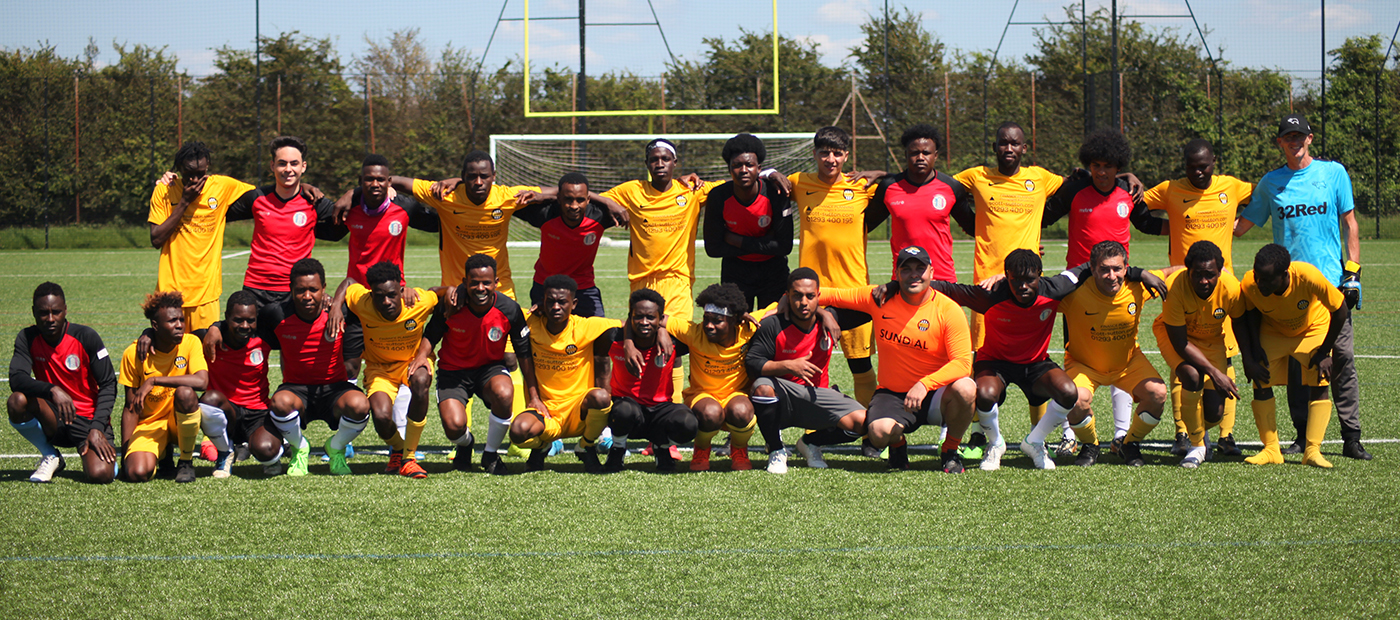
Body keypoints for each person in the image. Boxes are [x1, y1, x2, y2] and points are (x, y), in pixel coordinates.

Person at [1235, 114, 1370, 461]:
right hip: (1288, 287)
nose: (1294, 142)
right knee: (1298, 365)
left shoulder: (1333, 173)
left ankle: (1351, 436)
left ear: (1310, 138)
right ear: (1280, 142)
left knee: (1341, 359)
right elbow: (1241, 226)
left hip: (1328, 284)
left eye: (1300, 136)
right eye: (1288, 137)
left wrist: (1352, 271)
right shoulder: (1271, 182)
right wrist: (1205, 212)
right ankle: (1301, 435)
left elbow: (1350, 223)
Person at [1041, 129, 1166, 454]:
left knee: (1119, 353)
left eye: (1108, 166)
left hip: (1117, 284)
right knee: (1078, 357)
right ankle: (1072, 435)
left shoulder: (1128, 191)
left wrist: (1187, 225)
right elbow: (1044, 217)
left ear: (1118, 167)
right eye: (1096, 165)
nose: (1101, 172)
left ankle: (1122, 434)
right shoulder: (1075, 189)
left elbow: (1147, 224)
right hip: (1078, 290)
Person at [920, 250, 1100, 470]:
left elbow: (1087, 268)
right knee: (984, 394)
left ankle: (1034, 442)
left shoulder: (1054, 289)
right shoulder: (992, 295)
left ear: (1040, 274)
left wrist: (1133, 273)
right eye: (1016, 280)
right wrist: (896, 286)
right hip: (994, 362)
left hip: (1035, 363)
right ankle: (996, 444)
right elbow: (949, 289)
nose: (1023, 286)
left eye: (1029, 279)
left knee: (1069, 392)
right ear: (1006, 276)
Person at [208, 258, 372, 476]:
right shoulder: (276, 314)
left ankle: (336, 447)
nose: (307, 296)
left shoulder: (340, 312)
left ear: (324, 288)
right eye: (300, 290)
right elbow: (244, 321)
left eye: (313, 290)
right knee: (280, 402)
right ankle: (299, 448)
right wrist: (216, 326)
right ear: (291, 290)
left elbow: (353, 283)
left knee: (360, 405)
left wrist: (336, 305)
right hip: (296, 388)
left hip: (334, 388)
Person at [820, 245, 975, 473]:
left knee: (967, 388)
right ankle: (898, 445)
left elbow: (963, 363)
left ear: (931, 272)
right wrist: (810, 308)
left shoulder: (948, 310)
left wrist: (924, 384)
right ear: (897, 274)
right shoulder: (880, 299)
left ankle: (950, 450)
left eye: (920, 269)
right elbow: (828, 294)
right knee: (878, 434)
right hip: (893, 394)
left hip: (936, 395)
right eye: (906, 269)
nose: (914, 274)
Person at [1142, 139, 1252, 457]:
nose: (1198, 172)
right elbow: (1135, 206)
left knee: (1226, 359)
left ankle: (1226, 436)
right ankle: (1182, 432)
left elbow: (1266, 194)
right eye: (1192, 167)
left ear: (1214, 162)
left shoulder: (1231, 187)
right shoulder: (1170, 189)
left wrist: (1244, 224)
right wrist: (1169, 226)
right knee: (1184, 364)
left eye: (1203, 166)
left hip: (1221, 290)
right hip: (1183, 287)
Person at [1026, 240, 1169, 468]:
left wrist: (1219, 270)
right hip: (1084, 365)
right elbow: (1034, 289)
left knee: (1158, 394)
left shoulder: (1139, 286)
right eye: (1104, 269)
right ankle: (1090, 445)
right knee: (1075, 399)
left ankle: (1129, 443)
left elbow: (1174, 273)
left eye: (1117, 269)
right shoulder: (1073, 292)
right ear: (1092, 269)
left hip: (1128, 364)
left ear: (1126, 268)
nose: (1112, 276)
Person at [602, 138, 714, 401]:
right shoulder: (632, 190)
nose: (660, 163)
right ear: (647, 164)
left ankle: (673, 408)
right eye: (654, 159)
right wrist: (612, 204)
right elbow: (586, 195)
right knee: (645, 344)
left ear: (675, 162)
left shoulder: (691, 190)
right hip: (642, 283)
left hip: (677, 281)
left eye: (665, 159)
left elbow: (735, 182)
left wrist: (768, 173)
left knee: (673, 346)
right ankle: (642, 402)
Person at [787, 126, 881, 406]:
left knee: (861, 365)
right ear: (814, 154)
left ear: (846, 156)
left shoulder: (862, 186)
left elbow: (903, 183)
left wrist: (880, 174)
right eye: (825, 153)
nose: (831, 159)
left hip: (855, 291)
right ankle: (814, 427)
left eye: (837, 154)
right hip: (813, 295)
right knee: (811, 365)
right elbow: (763, 180)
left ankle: (869, 425)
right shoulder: (799, 182)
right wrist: (771, 174)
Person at [423, 253, 538, 475]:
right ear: (465, 282)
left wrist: (533, 396)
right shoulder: (452, 304)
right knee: (454, 427)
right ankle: (466, 444)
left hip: (489, 369)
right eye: (474, 283)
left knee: (504, 393)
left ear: (496, 283)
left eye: (486, 283)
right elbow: (431, 334)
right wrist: (421, 356)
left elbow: (524, 354)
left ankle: (490, 454)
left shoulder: (509, 309)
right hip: (453, 372)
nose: (481, 288)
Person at [1235, 244, 1348, 468]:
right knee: (1261, 378)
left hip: (1311, 328)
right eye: (1258, 276)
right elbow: (1250, 314)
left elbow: (1340, 309)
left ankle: (1312, 451)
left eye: (1267, 280)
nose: (1260, 283)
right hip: (1274, 330)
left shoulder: (1307, 276)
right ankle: (1271, 449)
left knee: (1320, 379)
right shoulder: (1249, 283)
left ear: (1285, 274)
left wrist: (1324, 352)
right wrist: (1254, 349)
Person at [327, 262, 440, 479]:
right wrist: (335, 307)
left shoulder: (418, 301)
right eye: (379, 296)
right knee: (380, 416)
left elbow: (440, 294)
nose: (386, 301)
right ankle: (398, 449)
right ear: (371, 294)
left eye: (391, 295)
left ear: (401, 290)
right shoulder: (363, 302)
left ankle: (409, 458)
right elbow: (349, 283)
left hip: (411, 364)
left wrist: (452, 290)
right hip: (379, 369)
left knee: (421, 381)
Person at [746, 268, 865, 474]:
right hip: (783, 396)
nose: (803, 302)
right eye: (797, 296)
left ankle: (811, 443)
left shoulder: (830, 320)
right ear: (787, 296)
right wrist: (788, 366)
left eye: (810, 296)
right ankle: (776, 449)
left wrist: (825, 312)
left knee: (864, 424)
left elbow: (868, 308)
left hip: (817, 395)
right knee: (761, 388)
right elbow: (752, 363)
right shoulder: (773, 324)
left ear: (819, 296)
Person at [8, 282, 117, 483]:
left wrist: (97, 427)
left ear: (65, 310)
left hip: (87, 419)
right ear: (33, 312)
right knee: (17, 401)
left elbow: (109, 383)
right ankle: (50, 454)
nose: (50, 319)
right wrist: (52, 390)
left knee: (100, 474)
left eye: (56, 312)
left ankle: (106, 459)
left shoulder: (86, 336)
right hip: (53, 417)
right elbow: (16, 378)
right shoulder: (27, 337)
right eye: (43, 313)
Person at [509, 275, 619, 473]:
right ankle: (541, 447)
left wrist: (633, 342)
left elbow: (628, 325)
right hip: (545, 412)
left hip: (579, 412)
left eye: (562, 302)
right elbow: (502, 309)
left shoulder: (585, 326)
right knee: (518, 431)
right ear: (542, 302)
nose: (556, 307)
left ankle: (586, 445)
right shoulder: (530, 323)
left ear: (573, 304)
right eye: (550, 301)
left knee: (602, 397)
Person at [147, 141, 259, 331]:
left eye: (201, 173)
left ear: (207, 167)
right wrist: (184, 202)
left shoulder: (222, 186)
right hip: (170, 295)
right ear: (179, 168)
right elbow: (156, 239)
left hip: (206, 295)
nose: (195, 179)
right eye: (189, 173)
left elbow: (262, 195)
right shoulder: (165, 190)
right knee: (172, 348)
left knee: (205, 348)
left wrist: (300, 187)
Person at [1154, 241, 1243, 468]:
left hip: (1211, 338)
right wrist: (1215, 373)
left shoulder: (1232, 288)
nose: (1204, 281)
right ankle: (1196, 445)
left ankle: (1198, 430)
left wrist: (1251, 360)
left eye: (1210, 275)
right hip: (1175, 335)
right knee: (1191, 375)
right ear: (1188, 271)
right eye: (1197, 275)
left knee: (1214, 414)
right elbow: (1180, 343)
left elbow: (1242, 325)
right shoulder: (1175, 287)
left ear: (1220, 272)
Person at [665, 283, 769, 472]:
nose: (709, 325)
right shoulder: (693, 332)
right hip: (701, 397)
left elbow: (782, 303)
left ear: (735, 320)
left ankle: (739, 449)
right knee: (710, 412)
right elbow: (656, 317)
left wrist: (823, 313)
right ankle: (701, 449)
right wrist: (661, 334)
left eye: (717, 320)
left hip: (736, 396)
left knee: (741, 411)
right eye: (706, 319)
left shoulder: (747, 328)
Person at [864, 125, 975, 284]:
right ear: (906, 155)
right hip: (904, 280)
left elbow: (973, 227)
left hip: (943, 279)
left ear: (935, 155)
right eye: (914, 153)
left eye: (926, 153)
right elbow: (865, 225)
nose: (920, 157)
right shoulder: (888, 187)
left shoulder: (951, 187)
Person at [118, 291, 208, 483]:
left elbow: (202, 382)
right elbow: (130, 408)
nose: (179, 325)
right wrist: (125, 455)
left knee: (186, 393)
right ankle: (164, 453)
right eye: (172, 321)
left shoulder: (191, 342)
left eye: (181, 319)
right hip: (150, 424)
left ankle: (185, 462)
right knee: (136, 473)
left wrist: (154, 381)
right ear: (155, 326)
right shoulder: (133, 354)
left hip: (178, 421)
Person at [605, 288, 694, 473]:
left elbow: (703, 332)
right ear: (630, 317)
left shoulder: (674, 341)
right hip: (628, 411)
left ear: (660, 319)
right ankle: (618, 448)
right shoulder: (613, 338)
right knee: (622, 410)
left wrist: (663, 330)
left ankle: (662, 446)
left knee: (688, 424)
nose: (644, 322)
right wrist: (628, 343)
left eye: (651, 317)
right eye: (638, 317)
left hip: (661, 411)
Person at [703, 133, 794, 311]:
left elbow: (784, 247)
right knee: (736, 324)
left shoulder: (776, 194)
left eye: (749, 165)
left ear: (759, 169)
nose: (743, 170)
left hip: (773, 271)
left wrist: (736, 240)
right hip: (736, 272)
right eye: (737, 165)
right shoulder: (718, 196)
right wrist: (765, 243)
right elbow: (713, 249)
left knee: (772, 323)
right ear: (729, 169)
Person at [516, 172, 620, 317]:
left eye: (580, 200)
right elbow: (508, 199)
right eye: (568, 199)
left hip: (583, 287)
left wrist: (608, 202)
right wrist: (546, 196)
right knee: (546, 331)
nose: (574, 206)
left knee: (601, 329)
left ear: (588, 200)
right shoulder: (545, 213)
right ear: (558, 198)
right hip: (546, 286)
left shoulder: (600, 216)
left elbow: (637, 207)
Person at [199, 291, 280, 477]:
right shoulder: (208, 338)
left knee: (267, 450)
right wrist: (148, 335)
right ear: (227, 317)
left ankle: (271, 446)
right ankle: (225, 452)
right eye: (238, 320)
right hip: (227, 413)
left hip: (257, 413)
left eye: (250, 320)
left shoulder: (265, 337)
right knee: (209, 399)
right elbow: (174, 338)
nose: (245, 326)